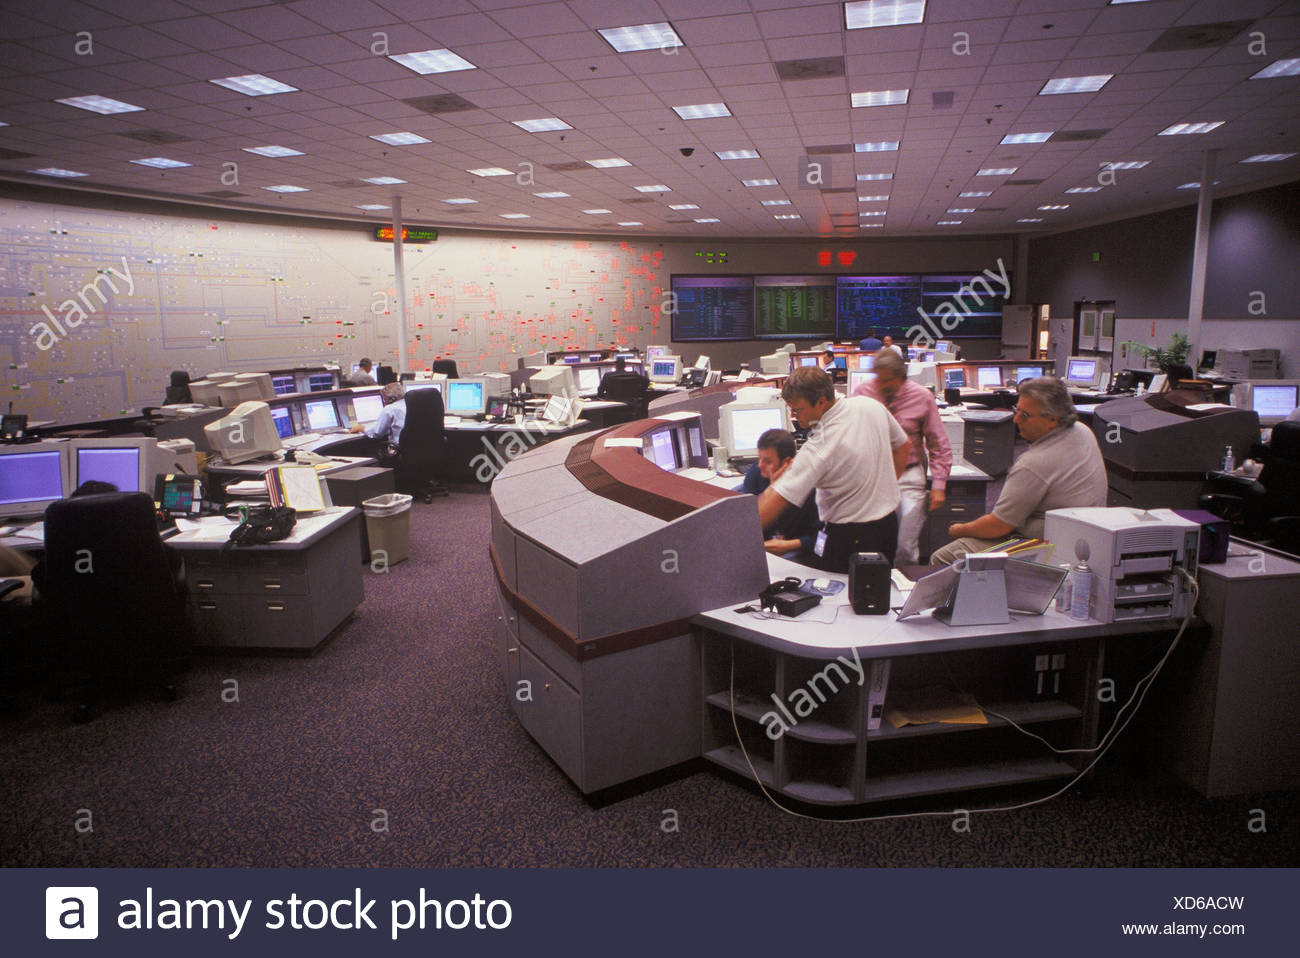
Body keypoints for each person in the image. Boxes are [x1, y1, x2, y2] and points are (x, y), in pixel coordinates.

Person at [929, 376, 1108, 565]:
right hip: (1088, 536)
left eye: (1025, 415)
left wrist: (958, 529)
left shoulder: (1034, 463)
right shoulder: (1082, 430)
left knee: (943, 557)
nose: (1015, 419)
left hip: (1049, 545)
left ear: (1052, 420)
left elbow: (998, 526)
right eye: (1017, 410)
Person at [757, 367, 909, 572]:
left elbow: (777, 500)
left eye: (798, 409)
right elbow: (903, 446)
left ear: (821, 402)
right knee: (879, 587)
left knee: (840, 590)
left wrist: (737, 536)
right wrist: (882, 489)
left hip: (849, 538)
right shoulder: (869, 405)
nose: (793, 416)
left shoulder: (820, 445)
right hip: (888, 526)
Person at [852, 350, 952, 566]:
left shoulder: (922, 397)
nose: (882, 385)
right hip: (873, 476)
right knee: (869, 541)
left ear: (902, 377)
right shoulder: (862, 393)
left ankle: (903, 583)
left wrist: (939, 485)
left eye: (888, 380)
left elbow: (938, 443)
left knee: (904, 544)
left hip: (908, 475)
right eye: (879, 379)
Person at [741, 429, 821, 559]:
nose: (760, 465)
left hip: (796, 551)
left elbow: (821, 539)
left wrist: (789, 545)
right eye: (760, 458)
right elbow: (745, 521)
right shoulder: (756, 473)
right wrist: (772, 489)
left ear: (786, 463)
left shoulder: (810, 488)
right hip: (761, 547)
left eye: (768, 461)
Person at [349, 382, 406, 449]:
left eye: (384, 399)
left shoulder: (390, 409)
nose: (384, 402)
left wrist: (360, 428)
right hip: (410, 447)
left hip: (397, 448)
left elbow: (377, 433)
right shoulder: (408, 403)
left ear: (391, 399)